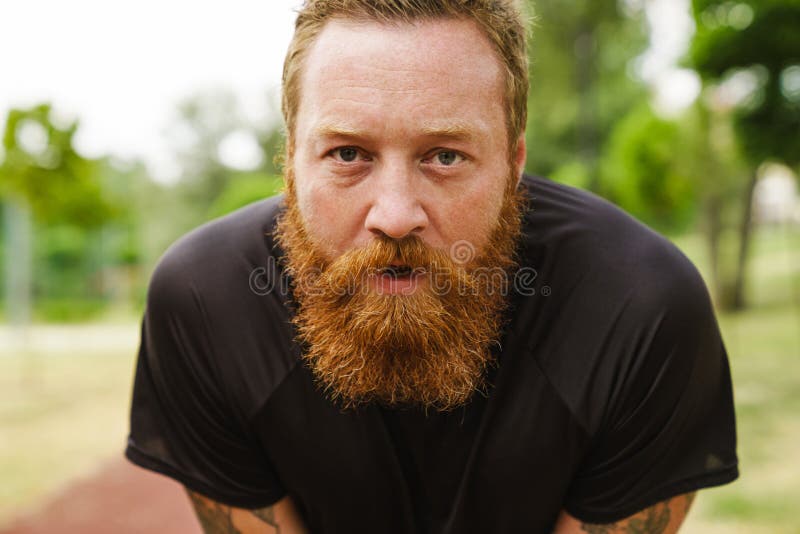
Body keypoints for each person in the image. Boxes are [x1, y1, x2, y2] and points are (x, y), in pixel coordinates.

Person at [125, 1, 739, 532]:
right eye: (347, 153)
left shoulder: (641, 310)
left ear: (513, 163)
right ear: (290, 164)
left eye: (445, 156)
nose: (394, 216)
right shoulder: (204, 304)